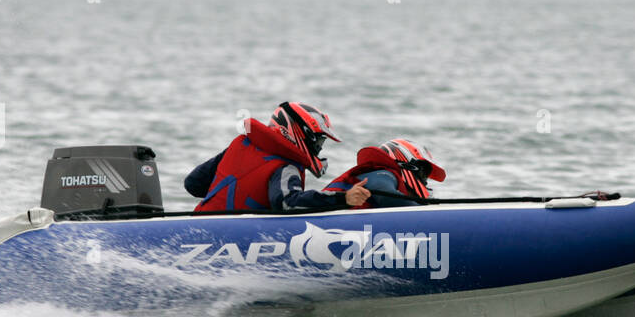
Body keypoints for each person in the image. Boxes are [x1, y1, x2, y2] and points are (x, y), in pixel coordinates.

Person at [185, 102, 367, 212]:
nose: (318, 149)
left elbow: (193, 184)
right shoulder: (285, 166)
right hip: (227, 236)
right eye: (317, 142)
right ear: (299, 134)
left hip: (197, 224)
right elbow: (287, 203)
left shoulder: (240, 143)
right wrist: (343, 198)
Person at [322, 138, 446, 208]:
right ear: (406, 163)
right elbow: (386, 196)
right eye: (424, 173)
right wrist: (426, 212)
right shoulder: (382, 173)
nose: (425, 181)